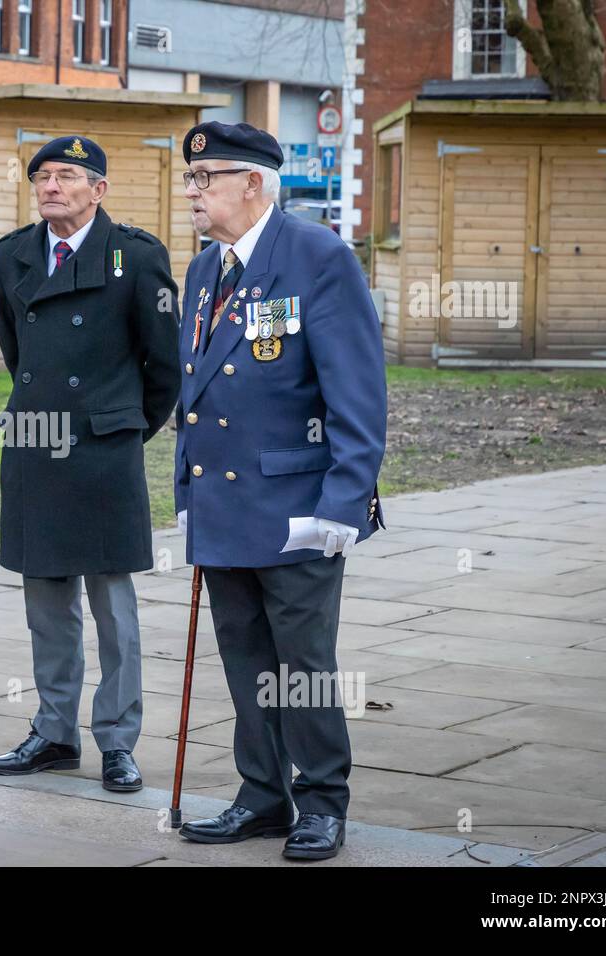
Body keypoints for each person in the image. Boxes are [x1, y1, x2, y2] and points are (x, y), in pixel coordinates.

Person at [171, 121, 387, 860]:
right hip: (224, 505)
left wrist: (343, 506)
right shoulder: (204, 271)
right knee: (244, 657)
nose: (193, 192)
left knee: (303, 663)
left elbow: (357, 397)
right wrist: (185, 487)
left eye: (207, 180)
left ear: (254, 184)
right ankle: (262, 794)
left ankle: (323, 800)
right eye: (190, 179)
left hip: (298, 509)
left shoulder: (317, 259)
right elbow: (193, 389)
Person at [0, 135, 181, 791]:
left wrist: (122, 426)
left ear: (98, 189)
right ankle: (54, 733)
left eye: (67, 175)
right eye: (42, 175)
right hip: (37, 446)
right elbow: (19, 357)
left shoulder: (134, 255)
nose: (50, 186)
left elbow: (165, 366)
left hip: (104, 451)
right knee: (46, 605)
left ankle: (118, 741)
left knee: (113, 610)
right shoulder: (11, 254)